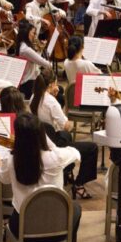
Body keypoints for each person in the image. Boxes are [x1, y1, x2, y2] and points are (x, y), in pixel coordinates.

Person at [0, 113, 83, 242]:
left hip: (22, 229)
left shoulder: (11, 160)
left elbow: (1, 177)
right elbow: (76, 153)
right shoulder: (56, 157)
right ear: (40, 133)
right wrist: (48, 143)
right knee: (76, 208)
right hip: (57, 228)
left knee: (18, 210)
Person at [30, 69, 96, 197]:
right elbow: (67, 126)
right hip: (54, 144)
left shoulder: (34, 96)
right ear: (50, 85)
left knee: (67, 137)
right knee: (91, 148)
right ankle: (79, 183)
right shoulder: (51, 102)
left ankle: (66, 171)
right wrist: (66, 116)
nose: (56, 86)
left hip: (40, 140)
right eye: (55, 83)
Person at [8, 19, 51, 98]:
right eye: (33, 33)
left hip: (29, 80)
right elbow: (44, 63)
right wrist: (49, 64)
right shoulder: (26, 49)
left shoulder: (22, 45)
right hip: (28, 84)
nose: (35, 36)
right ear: (27, 33)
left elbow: (35, 59)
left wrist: (41, 49)